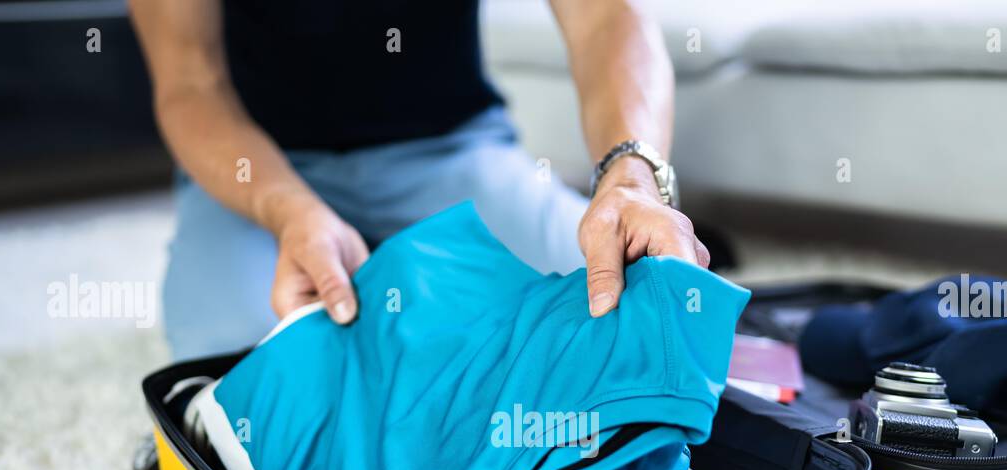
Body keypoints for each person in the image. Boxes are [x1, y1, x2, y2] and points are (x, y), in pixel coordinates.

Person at [128, 0, 709, 359]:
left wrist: (630, 178)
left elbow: (605, 17)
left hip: (451, 151)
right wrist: (288, 209)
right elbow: (189, 83)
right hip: (257, 171)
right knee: (242, 367)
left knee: (627, 309)